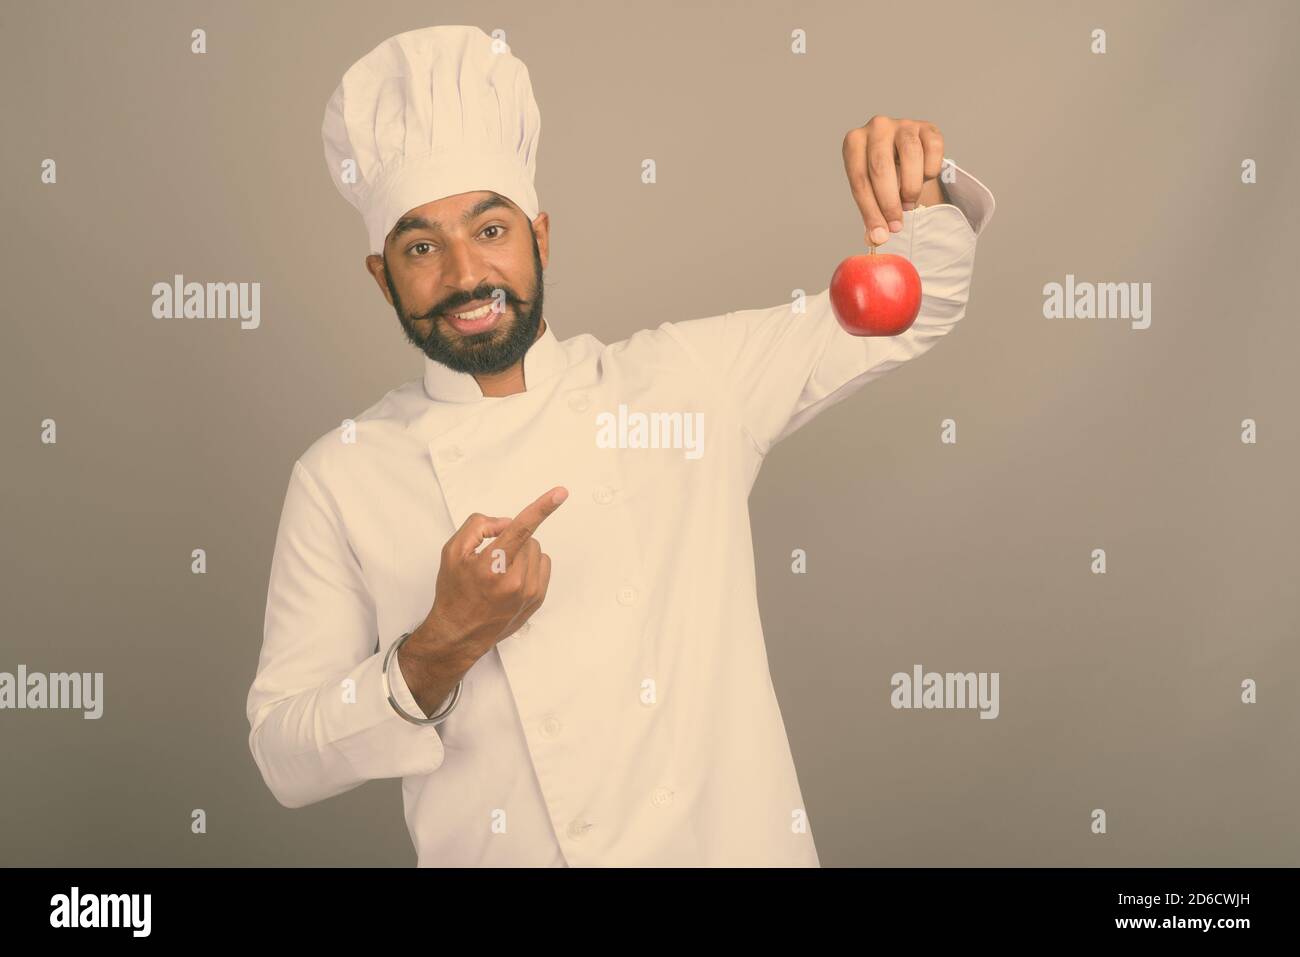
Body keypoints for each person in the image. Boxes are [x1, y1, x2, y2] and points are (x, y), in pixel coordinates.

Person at [245, 24, 996, 866]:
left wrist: (917, 191)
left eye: (490, 230)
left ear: (541, 235)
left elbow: (916, 305)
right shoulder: (342, 474)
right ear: (383, 275)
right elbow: (282, 753)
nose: (463, 275)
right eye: (421, 246)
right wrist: (440, 644)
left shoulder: (683, 384)